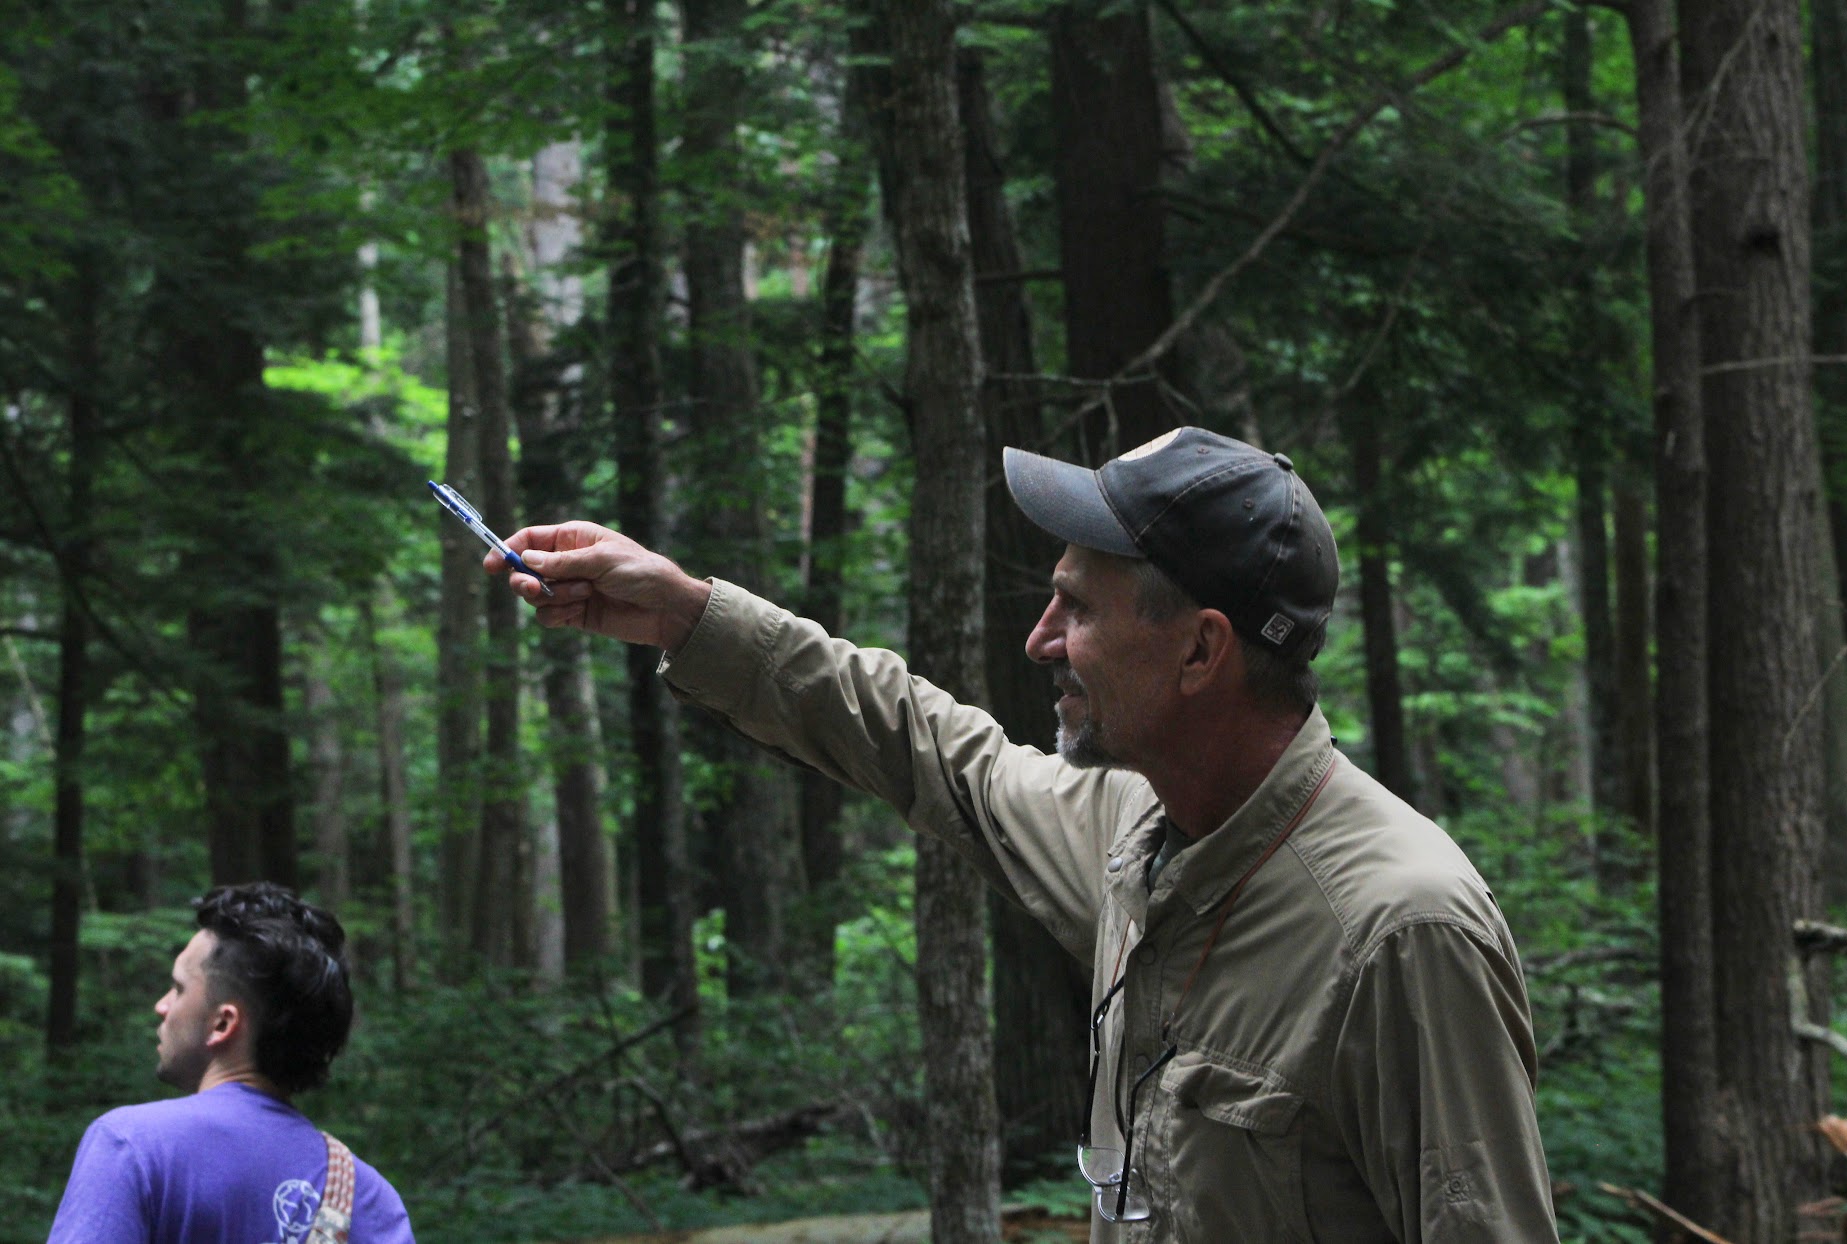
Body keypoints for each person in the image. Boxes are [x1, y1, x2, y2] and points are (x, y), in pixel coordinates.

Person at [490, 426, 1560, 1241]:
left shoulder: (1400, 929)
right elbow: (925, 743)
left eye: (1077, 611)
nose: (1039, 639)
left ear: (1201, 652)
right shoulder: (1136, 828)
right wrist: (686, 612)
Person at [48, 882, 415, 1244]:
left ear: (222, 1023)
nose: (162, 1006)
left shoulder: (133, 1147)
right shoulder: (368, 1198)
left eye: (178, 989)